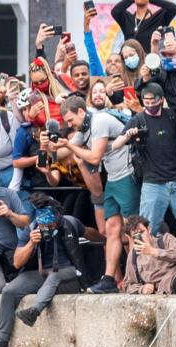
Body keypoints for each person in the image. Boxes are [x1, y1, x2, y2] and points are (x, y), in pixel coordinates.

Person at [0, 194, 84, 347]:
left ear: (57, 218)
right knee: (9, 291)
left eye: (50, 225)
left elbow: (90, 233)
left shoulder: (69, 223)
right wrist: (31, 243)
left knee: (54, 276)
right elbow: (17, 262)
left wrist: (107, 240)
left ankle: (34, 311)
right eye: (43, 225)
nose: (47, 228)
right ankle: (2, 343)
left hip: (69, 273)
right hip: (43, 272)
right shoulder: (31, 229)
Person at [59, 95, 138, 294]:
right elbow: (62, 152)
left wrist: (69, 145)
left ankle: (136, 277)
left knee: (132, 228)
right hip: (113, 179)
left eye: (70, 120)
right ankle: (109, 279)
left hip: (127, 176)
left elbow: (94, 158)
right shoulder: (84, 127)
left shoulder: (99, 121)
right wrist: (50, 146)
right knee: (111, 230)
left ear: (80, 111)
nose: (70, 125)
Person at [114, 83, 176, 257]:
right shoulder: (138, 119)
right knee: (145, 232)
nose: (149, 105)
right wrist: (128, 135)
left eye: (153, 101)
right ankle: (145, 269)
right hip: (153, 185)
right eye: (145, 101)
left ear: (161, 100)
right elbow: (115, 145)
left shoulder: (171, 116)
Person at [110, 0, 176, 53]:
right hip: (130, 62)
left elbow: (173, 8)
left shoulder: (158, 18)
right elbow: (115, 12)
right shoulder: (127, 19)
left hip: (150, 62)